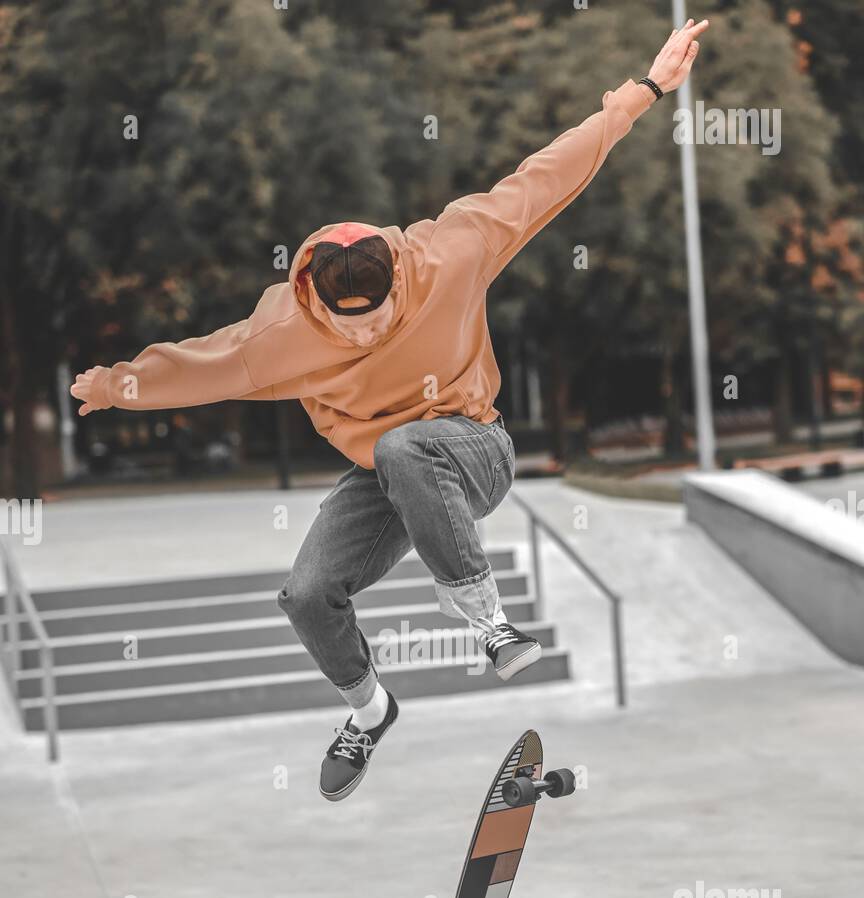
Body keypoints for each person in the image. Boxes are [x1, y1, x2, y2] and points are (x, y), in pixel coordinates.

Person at [72, 19, 707, 801]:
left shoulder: (453, 251)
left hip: (474, 446)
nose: (370, 331)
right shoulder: (280, 332)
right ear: (314, 299)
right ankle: (369, 712)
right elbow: (201, 366)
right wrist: (114, 385)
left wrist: (642, 92)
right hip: (384, 476)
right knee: (307, 594)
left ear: (398, 278)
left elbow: (544, 177)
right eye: (351, 325)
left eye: (380, 314)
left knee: (409, 447)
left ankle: (485, 619)